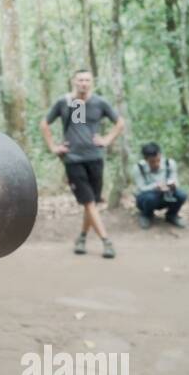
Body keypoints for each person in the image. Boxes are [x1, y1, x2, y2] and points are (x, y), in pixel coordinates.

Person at [40, 69, 125, 258]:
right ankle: (106, 241)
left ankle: (82, 238)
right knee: (88, 201)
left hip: (95, 158)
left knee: (91, 203)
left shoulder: (99, 103)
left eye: (87, 80)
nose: (83, 83)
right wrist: (54, 146)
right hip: (73, 160)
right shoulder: (67, 102)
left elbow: (119, 123)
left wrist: (107, 140)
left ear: (92, 82)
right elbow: (44, 123)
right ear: (74, 81)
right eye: (80, 80)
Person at [132, 142, 186, 229]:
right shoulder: (138, 168)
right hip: (147, 198)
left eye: (158, 160)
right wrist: (156, 186)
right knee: (149, 198)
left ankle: (172, 215)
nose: (156, 164)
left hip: (167, 195)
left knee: (182, 195)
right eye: (152, 162)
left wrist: (172, 185)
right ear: (146, 160)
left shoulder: (170, 163)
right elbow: (141, 188)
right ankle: (146, 215)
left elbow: (176, 181)